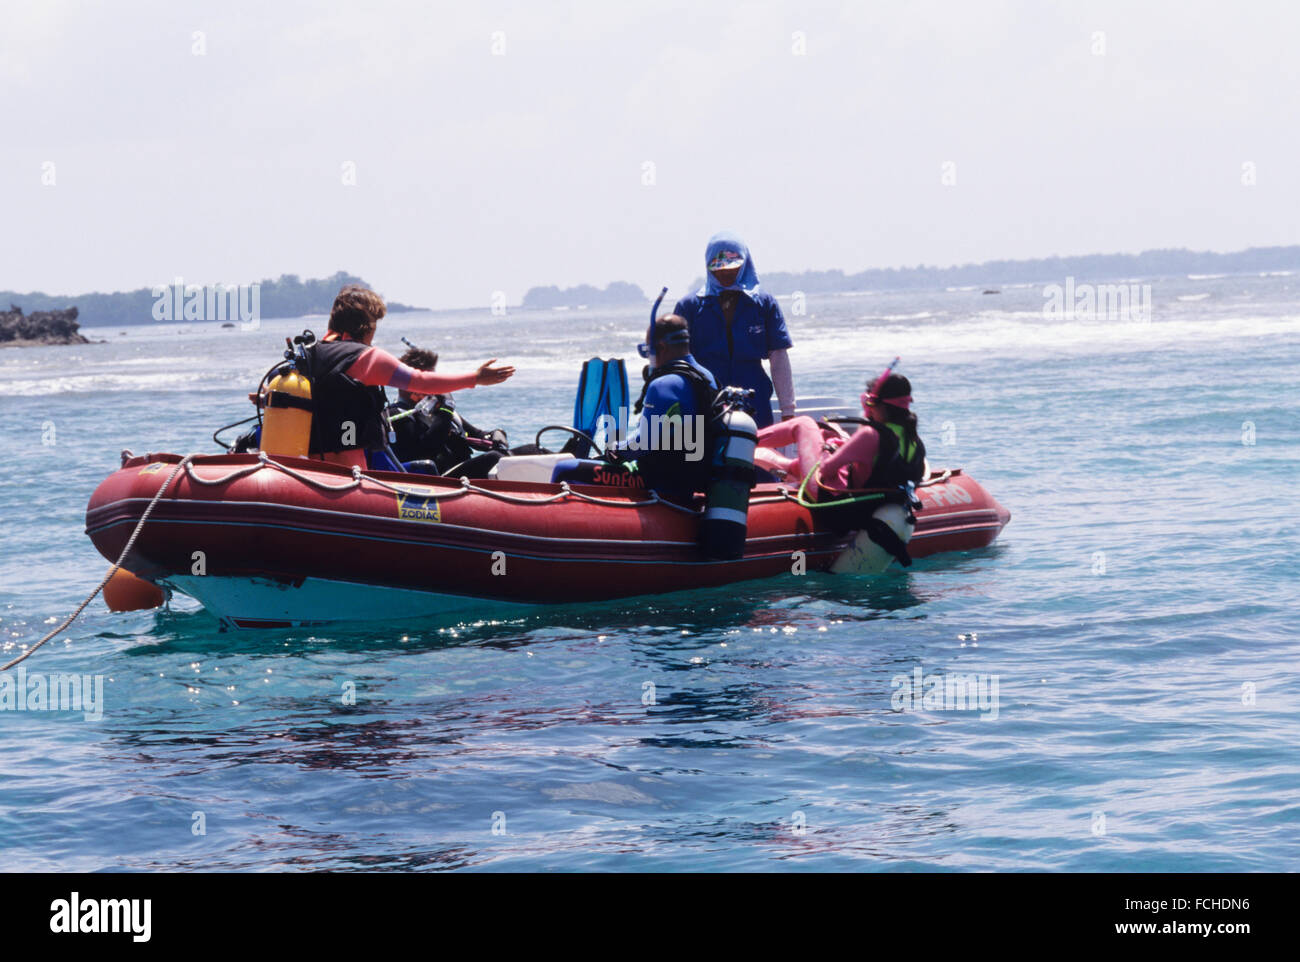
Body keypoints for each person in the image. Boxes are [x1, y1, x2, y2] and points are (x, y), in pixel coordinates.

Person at [301, 285, 513, 469]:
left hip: (309, 474)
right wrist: (475, 378)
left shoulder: (305, 358)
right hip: (350, 476)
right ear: (368, 326)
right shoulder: (365, 357)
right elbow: (419, 380)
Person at [550, 315, 717, 502]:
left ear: (660, 348)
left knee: (564, 469)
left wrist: (615, 450)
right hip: (690, 479)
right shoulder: (707, 377)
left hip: (657, 480)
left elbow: (642, 443)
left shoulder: (664, 384)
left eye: (647, 351)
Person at [672, 231, 795, 429]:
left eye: (732, 266)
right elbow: (676, 362)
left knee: (759, 456)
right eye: (717, 267)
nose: (725, 272)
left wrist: (787, 410)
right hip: (706, 401)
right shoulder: (689, 306)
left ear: (745, 263)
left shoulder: (764, 304)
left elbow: (779, 357)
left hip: (755, 399)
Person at [753, 370, 926, 496]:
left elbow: (827, 470)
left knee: (804, 424)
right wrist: (843, 443)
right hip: (868, 502)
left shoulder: (870, 435)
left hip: (832, 500)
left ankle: (744, 439)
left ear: (874, 402)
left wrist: (828, 448)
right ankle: (779, 463)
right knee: (825, 445)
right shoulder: (913, 438)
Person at [386, 345, 509, 474]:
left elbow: (477, 435)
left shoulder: (440, 410)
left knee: (527, 451)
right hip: (441, 480)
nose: (434, 386)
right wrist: (447, 407)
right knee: (494, 458)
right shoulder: (396, 416)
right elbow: (426, 449)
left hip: (463, 471)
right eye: (429, 381)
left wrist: (498, 434)